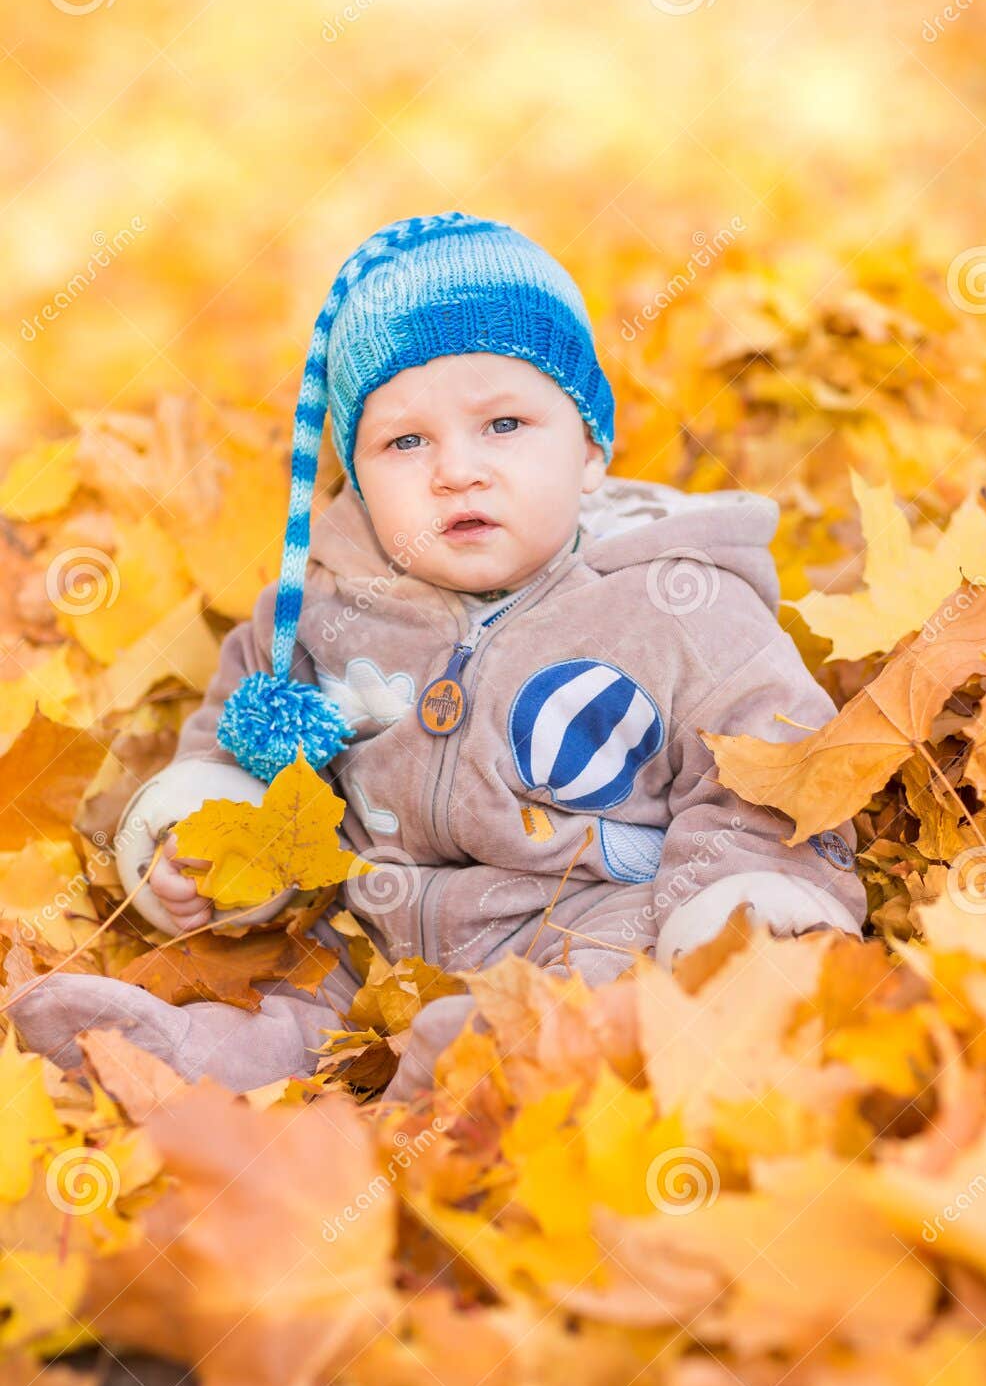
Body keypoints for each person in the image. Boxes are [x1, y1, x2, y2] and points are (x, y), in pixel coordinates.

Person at [12, 211, 866, 1101]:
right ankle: (182, 1064)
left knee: (611, 981)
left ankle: (489, 1068)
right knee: (297, 995)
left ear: (589, 449)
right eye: (404, 442)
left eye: (503, 424)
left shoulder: (674, 604)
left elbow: (770, 776)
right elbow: (240, 745)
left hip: (583, 916)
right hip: (375, 926)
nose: (455, 470)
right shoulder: (325, 607)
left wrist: (732, 911)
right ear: (354, 474)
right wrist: (204, 834)